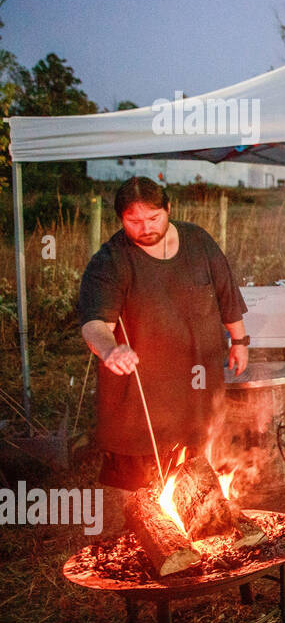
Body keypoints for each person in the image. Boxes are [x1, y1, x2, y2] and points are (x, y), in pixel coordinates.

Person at [77, 177, 249, 491]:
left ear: (168, 208)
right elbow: (95, 324)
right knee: (147, 486)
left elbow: (227, 293)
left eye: (153, 218)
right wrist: (110, 350)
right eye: (134, 221)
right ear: (121, 219)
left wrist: (239, 341)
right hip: (142, 390)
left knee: (200, 458)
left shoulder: (198, 241)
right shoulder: (110, 261)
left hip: (198, 376)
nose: (146, 228)